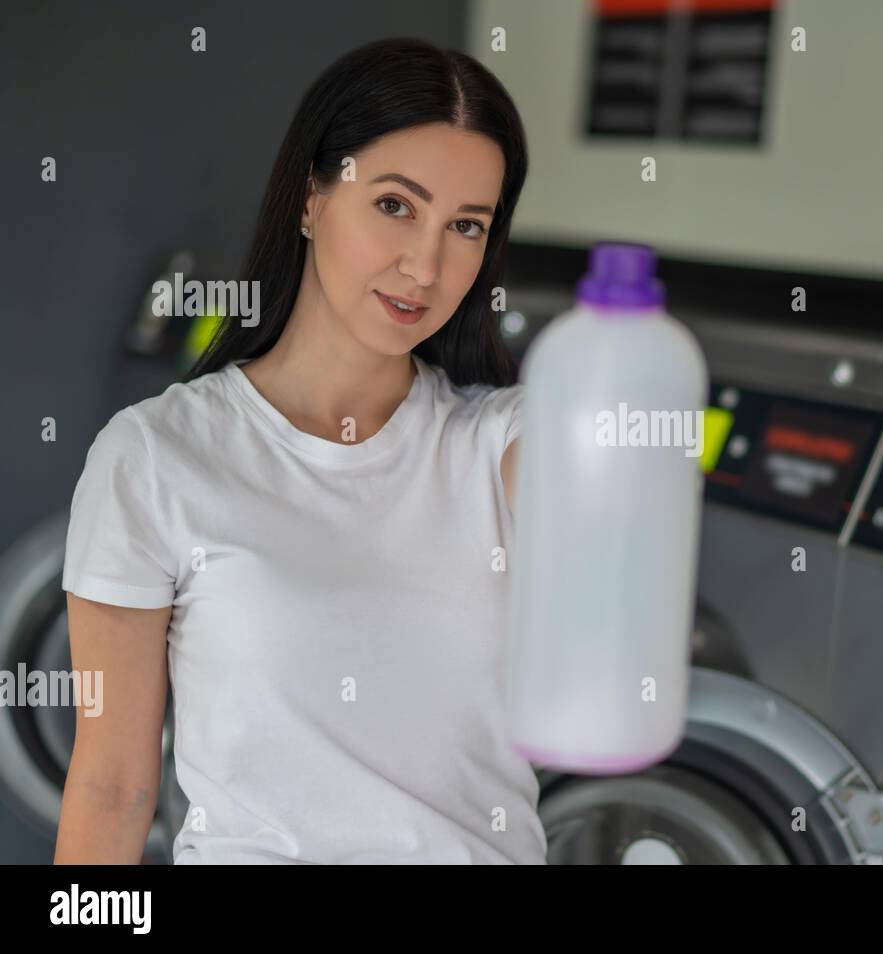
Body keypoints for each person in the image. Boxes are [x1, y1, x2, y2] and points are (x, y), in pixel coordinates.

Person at [54, 37, 545, 864]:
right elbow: (112, 786)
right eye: (395, 205)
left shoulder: (502, 440)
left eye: (466, 226)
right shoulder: (155, 456)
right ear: (312, 199)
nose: (425, 264)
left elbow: (586, 487)